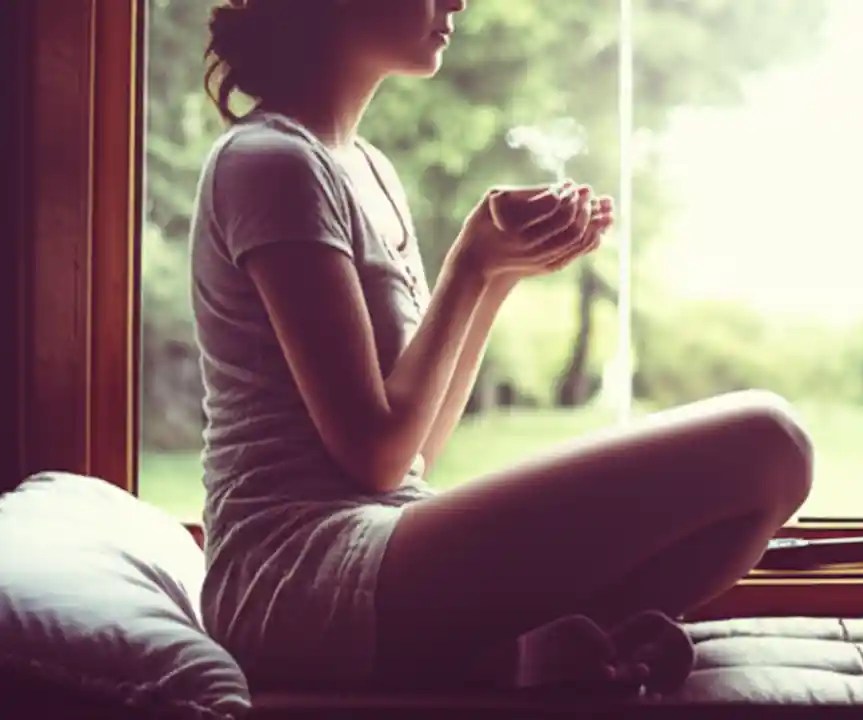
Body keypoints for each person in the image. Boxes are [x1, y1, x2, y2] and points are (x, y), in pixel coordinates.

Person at [192, 0, 813, 697]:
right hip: (294, 578)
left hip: (380, 538)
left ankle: (524, 658)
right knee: (768, 439)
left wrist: (496, 275)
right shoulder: (268, 162)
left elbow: (417, 453)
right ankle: (531, 654)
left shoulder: (365, 169)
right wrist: (465, 265)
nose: (455, 3)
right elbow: (373, 457)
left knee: (768, 479)